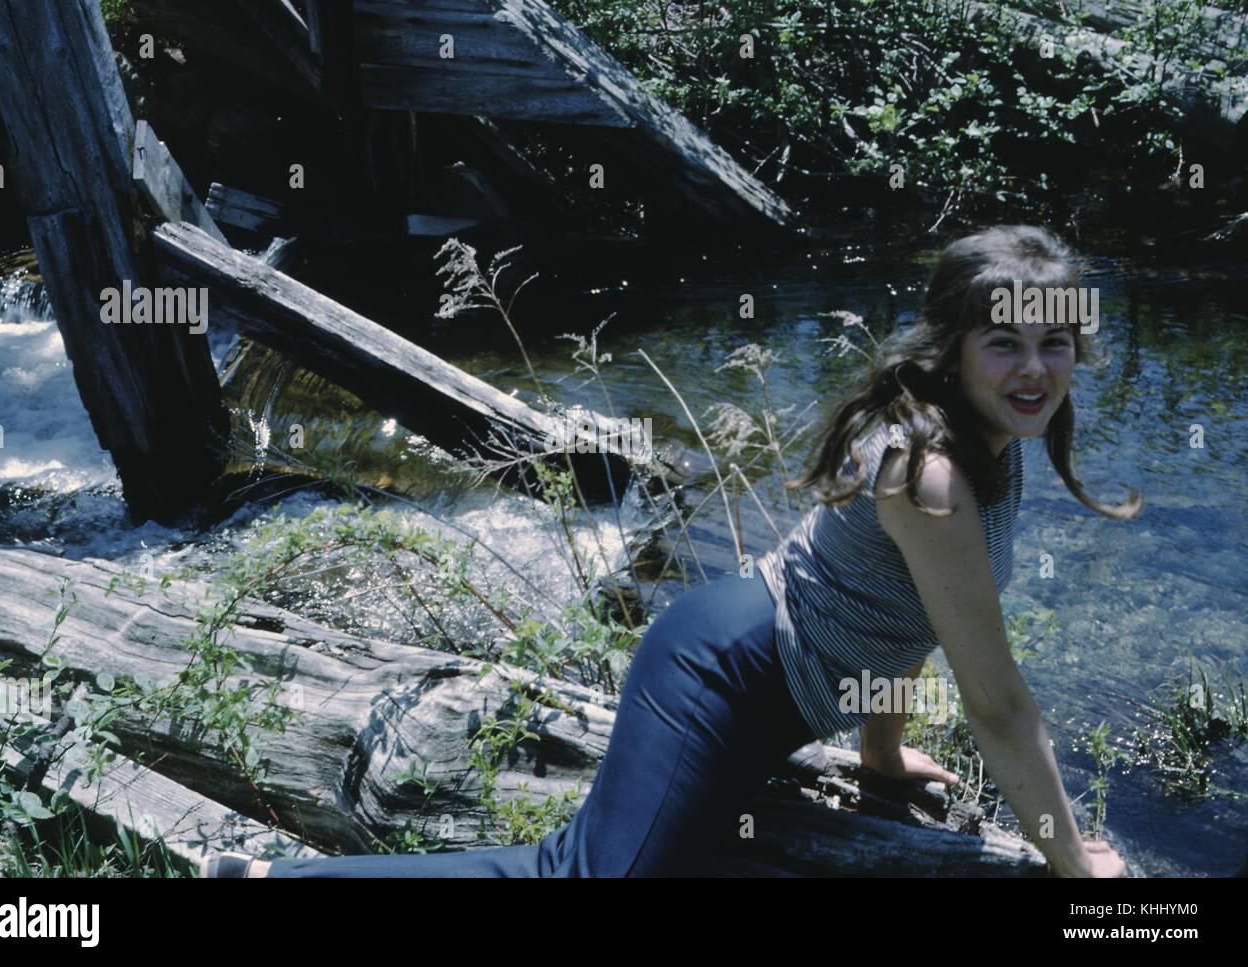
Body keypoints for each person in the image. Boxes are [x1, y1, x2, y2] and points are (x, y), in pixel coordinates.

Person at [203, 224, 1139, 878]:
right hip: (719, 672)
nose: (1035, 369)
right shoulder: (931, 471)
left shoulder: (991, 442)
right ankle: (264, 877)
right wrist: (1071, 857)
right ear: (954, 348)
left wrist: (883, 755)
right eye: (1005, 343)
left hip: (759, 679)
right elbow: (999, 705)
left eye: (1056, 343)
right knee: (580, 875)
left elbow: (903, 614)